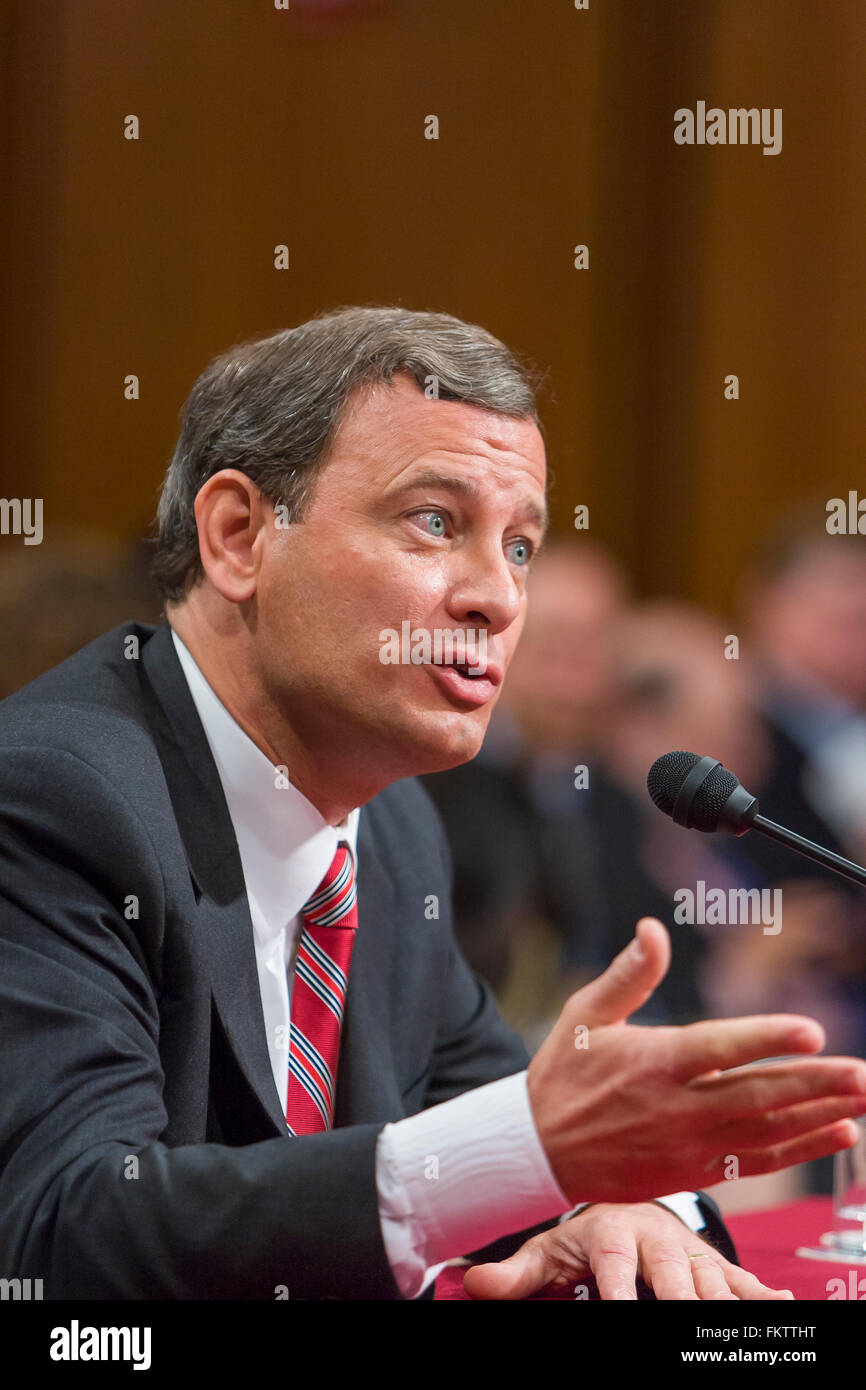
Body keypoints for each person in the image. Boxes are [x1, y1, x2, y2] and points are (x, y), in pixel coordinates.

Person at [1, 306, 864, 1303]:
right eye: (434, 521)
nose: (495, 596)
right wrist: (533, 1156)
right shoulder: (52, 797)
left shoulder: (396, 822)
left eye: (521, 547)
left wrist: (616, 1201)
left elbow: (500, 1111)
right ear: (238, 536)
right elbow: (61, 1236)